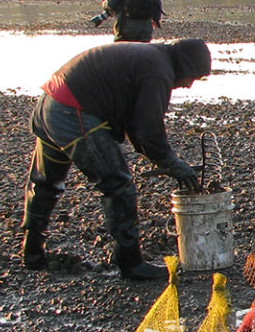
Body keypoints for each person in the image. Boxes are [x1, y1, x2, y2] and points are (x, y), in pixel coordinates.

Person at [20, 39, 210, 280]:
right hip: (72, 113)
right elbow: (148, 131)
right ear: (184, 66)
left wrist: (165, 160)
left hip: (50, 104)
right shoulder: (158, 72)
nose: (189, 85)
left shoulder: (153, 59)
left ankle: (32, 250)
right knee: (118, 184)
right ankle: (130, 263)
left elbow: (136, 126)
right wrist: (172, 162)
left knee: (47, 181)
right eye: (192, 77)